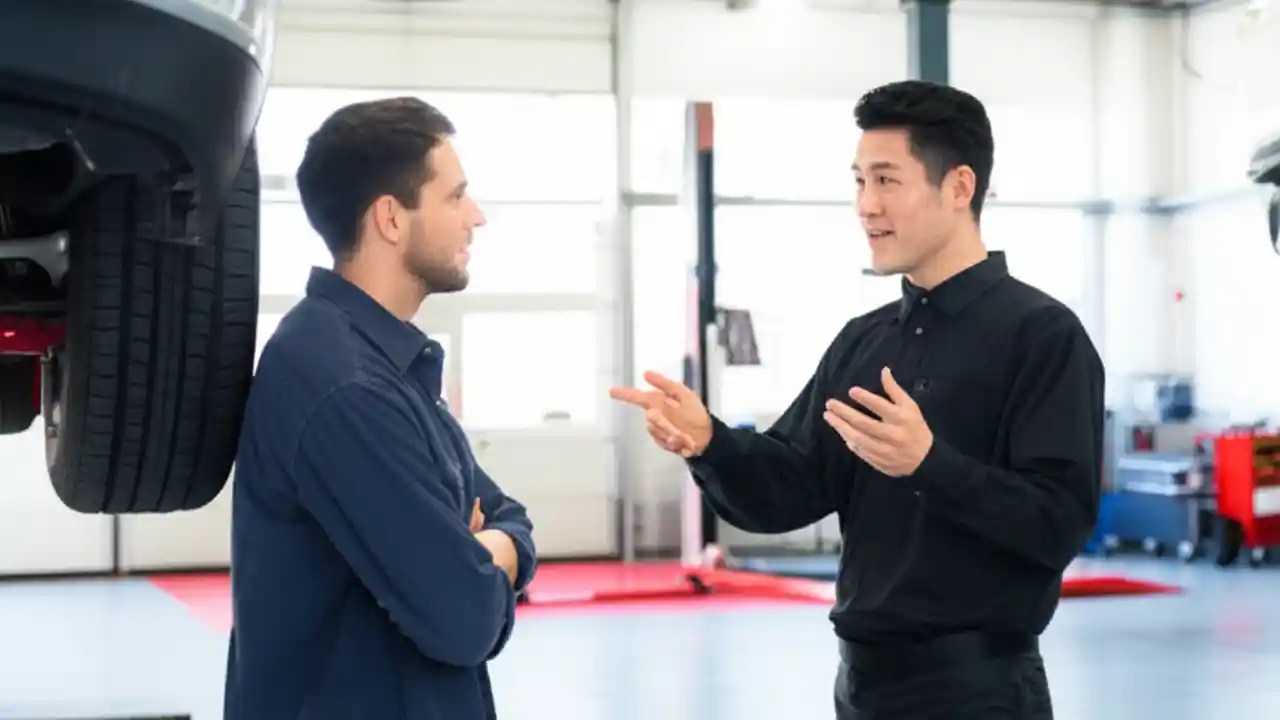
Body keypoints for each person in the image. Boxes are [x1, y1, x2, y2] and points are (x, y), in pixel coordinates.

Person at [611, 80, 1104, 719]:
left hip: (978, 692)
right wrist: (711, 443)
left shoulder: (1041, 335)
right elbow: (792, 485)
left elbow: (1058, 521)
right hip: (862, 686)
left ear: (959, 188)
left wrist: (931, 464)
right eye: (858, 182)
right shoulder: (865, 342)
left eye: (886, 180)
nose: (866, 206)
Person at [223, 97, 537, 720]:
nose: (476, 217)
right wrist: (483, 554)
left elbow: (511, 517)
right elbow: (465, 617)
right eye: (455, 197)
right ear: (391, 218)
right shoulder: (343, 387)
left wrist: (489, 547)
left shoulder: (385, 365)